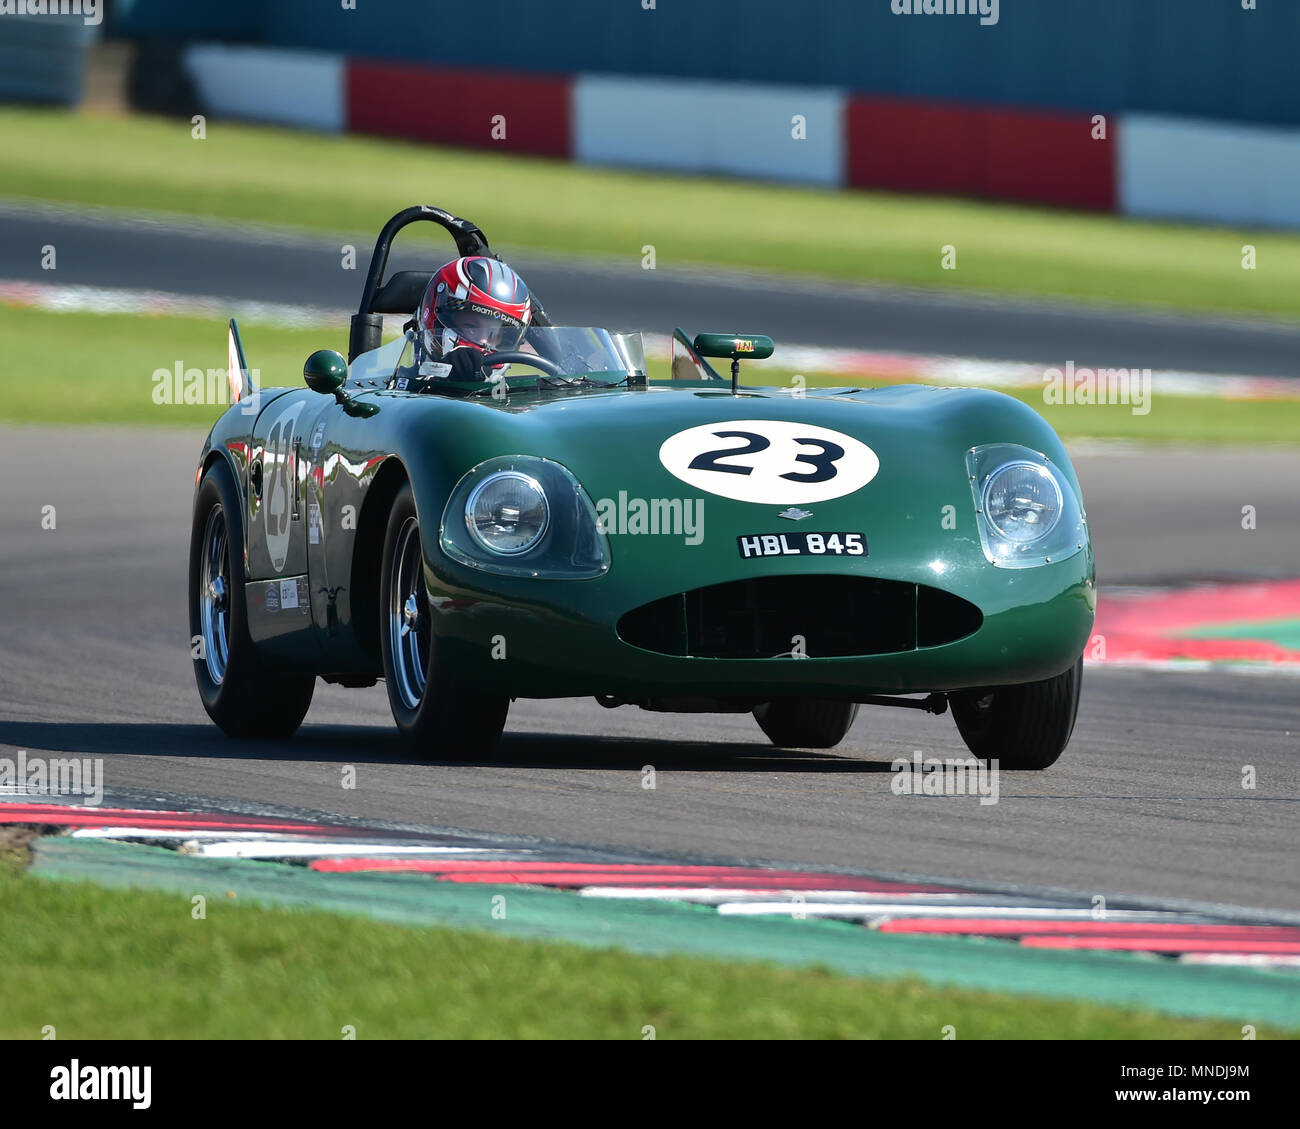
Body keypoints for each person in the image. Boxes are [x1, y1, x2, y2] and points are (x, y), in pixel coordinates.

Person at [410, 256, 534, 384]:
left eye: (495, 335)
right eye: (472, 327)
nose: (484, 341)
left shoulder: (519, 398)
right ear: (433, 317)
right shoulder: (400, 392)